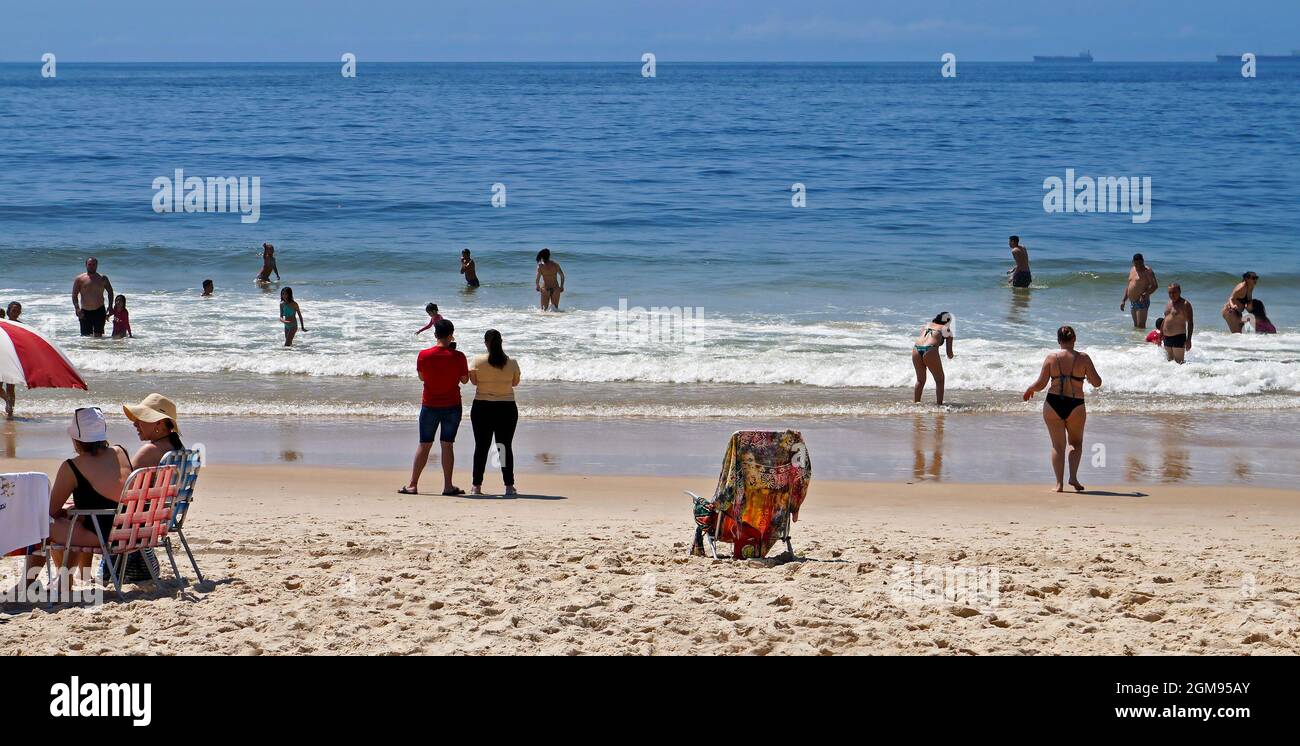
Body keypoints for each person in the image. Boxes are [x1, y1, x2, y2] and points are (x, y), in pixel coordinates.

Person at [22, 407, 134, 596]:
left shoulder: (72, 466)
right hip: (130, 530)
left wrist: (64, 512)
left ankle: (30, 584)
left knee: (43, 525)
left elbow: (50, 511)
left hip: (105, 536)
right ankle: (67, 577)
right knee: (73, 519)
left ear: (76, 439)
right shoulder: (120, 452)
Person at [1022, 326, 1102, 493]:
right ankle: (1073, 477)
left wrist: (1030, 388)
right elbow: (1097, 382)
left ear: (1059, 341)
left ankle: (1059, 484)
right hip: (1076, 404)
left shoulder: (1051, 358)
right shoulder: (1084, 358)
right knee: (1075, 443)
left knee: (1058, 446)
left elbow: (1041, 384)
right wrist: (1086, 377)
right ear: (1074, 339)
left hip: (1053, 404)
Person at [401, 319, 468, 496]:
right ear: (451, 335)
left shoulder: (424, 355)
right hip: (452, 406)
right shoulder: (459, 356)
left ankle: (413, 484)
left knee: (424, 444)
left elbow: (422, 378)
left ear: (435, 334)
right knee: (447, 445)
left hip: (430, 405)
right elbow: (464, 380)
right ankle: (447, 486)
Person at [469, 329, 522, 495]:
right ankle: (508, 486)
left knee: (481, 447)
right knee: (504, 447)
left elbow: (473, 382)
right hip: (506, 407)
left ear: (486, 343)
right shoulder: (512, 362)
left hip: (482, 407)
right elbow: (515, 383)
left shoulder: (477, 361)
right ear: (501, 342)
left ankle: (476, 486)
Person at [123, 393, 184, 468]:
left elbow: (127, 479)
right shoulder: (178, 448)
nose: (135, 424)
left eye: (141, 418)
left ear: (158, 423)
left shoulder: (149, 451)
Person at [911, 312, 955, 406]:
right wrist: (953, 356)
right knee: (940, 380)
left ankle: (916, 404)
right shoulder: (946, 330)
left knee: (920, 380)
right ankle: (939, 406)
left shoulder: (926, 325)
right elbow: (949, 354)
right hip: (930, 350)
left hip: (916, 349)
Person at [72, 257, 114, 337]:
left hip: (99, 310)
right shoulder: (79, 279)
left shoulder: (103, 278)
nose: (91, 266)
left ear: (97, 265)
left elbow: (110, 292)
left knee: (98, 337)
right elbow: (74, 295)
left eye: (93, 264)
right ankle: (88, 350)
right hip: (85, 312)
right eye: (89, 264)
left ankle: (97, 350)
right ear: (86, 265)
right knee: (85, 337)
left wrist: (110, 306)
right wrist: (77, 308)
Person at [1120, 253, 1159, 329]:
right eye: (1136, 263)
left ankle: (1143, 341)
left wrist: (1146, 294)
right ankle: (1136, 341)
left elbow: (1155, 286)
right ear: (1133, 262)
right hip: (1132, 302)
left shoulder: (1148, 271)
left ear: (1143, 261)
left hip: (1142, 302)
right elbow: (1129, 286)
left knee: (1141, 326)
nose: (1138, 265)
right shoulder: (1132, 269)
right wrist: (1123, 300)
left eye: (1140, 263)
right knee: (1136, 326)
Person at [1162, 284, 1194, 364]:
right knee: (1169, 363)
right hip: (1166, 337)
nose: (1171, 295)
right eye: (1170, 293)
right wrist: (1161, 334)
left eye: (1174, 292)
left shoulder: (1185, 304)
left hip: (1178, 337)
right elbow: (1165, 319)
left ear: (1179, 292)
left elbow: (1190, 323)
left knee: (1179, 364)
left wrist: (1189, 339)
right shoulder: (1168, 303)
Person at [3, 301, 20, 419]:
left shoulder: (21, 326)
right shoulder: (2, 323)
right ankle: (7, 401)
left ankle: (10, 412)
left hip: (13, 359)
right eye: (14, 310)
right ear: (8, 311)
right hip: (2, 358)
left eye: (18, 310)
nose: (16, 312)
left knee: (11, 387)